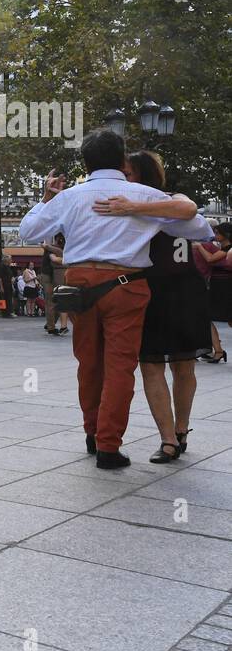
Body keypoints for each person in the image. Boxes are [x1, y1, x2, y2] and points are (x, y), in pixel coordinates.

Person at [18, 128, 213, 469]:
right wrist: (149, 210)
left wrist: (48, 198)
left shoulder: (71, 197)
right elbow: (199, 228)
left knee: (89, 364)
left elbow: (28, 231)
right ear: (122, 160)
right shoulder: (144, 196)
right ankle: (109, 447)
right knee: (120, 368)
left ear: (85, 162)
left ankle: (92, 435)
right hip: (125, 285)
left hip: (79, 286)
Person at [91, 151, 209, 463]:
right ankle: (168, 440)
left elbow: (190, 210)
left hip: (183, 289)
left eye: (127, 173)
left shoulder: (165, 200)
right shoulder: (119, 206)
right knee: (151, 365)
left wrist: (134, 207)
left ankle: (181, 430)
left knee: (184, 365)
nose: (122, 180)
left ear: (142, 174)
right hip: (145, 289)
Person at [194, 223, 231, 364]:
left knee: (222, 318)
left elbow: (210, 259)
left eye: (217, 233)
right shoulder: (219, 248)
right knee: (209, 317)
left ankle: (217, 349)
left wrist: (199, 247)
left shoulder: (227, 249)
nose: (215, 235)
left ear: (226, 234)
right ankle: (217, 349)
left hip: (226, 288)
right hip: (219, 287)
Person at [40, 235, 70, 336]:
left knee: (52, 301)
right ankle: (51, 326)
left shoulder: (52, 248)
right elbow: (54, 259)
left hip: (49, 275)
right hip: (48, 276)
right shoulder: (55, 249)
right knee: (51, 301)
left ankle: (50, 324)